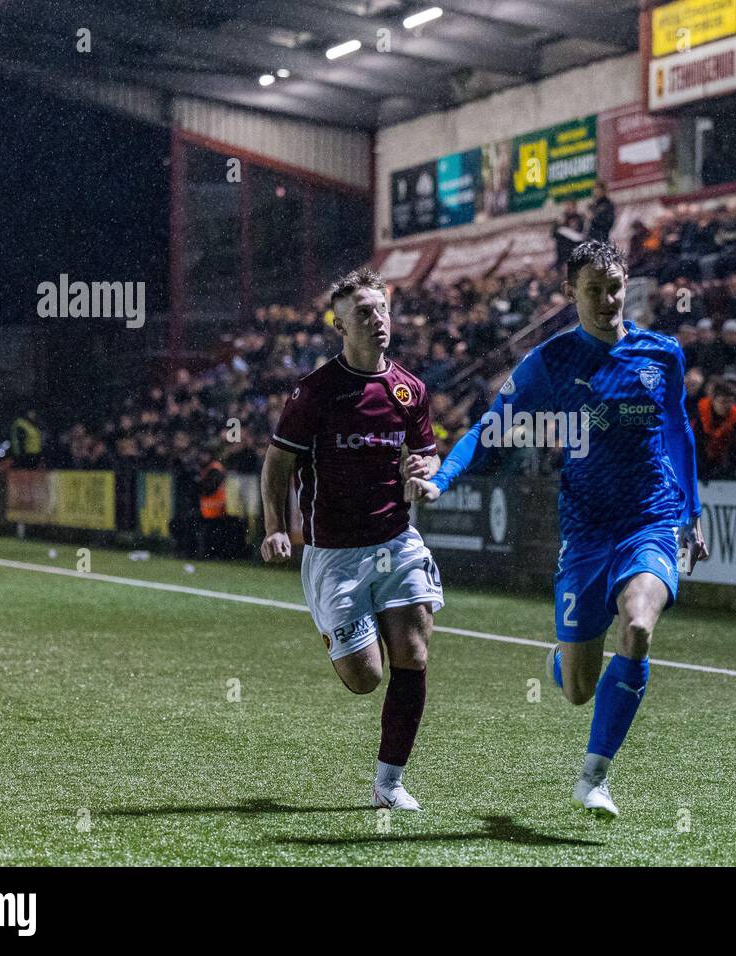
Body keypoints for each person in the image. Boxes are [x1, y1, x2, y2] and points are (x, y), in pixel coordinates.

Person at [407, 241, 709, 819]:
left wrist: (691, 513)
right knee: (577, 690)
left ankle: (594, 776)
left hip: (651, 518)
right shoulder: (551, 362)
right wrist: (443, 479)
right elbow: (487, 428)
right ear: (570, 294)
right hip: (587, 532)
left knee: (639, 625)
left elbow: (679, 433)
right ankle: (561, 659)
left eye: (614, 287)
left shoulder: (661, 354)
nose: (606, 300)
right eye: (592, 290)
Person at [259, 268, 443, 812]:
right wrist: (274, 526)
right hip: (334, 555)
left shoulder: (410, 389)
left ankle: (389, 784)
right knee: (366, 678)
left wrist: (425, 469)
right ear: (340, 325)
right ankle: (335, 629)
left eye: (381, 308)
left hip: (396, 540)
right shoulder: (315, 392)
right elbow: (277, 464)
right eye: (363, 311)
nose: (377, 319)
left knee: (413, 654)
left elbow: (427, 451)